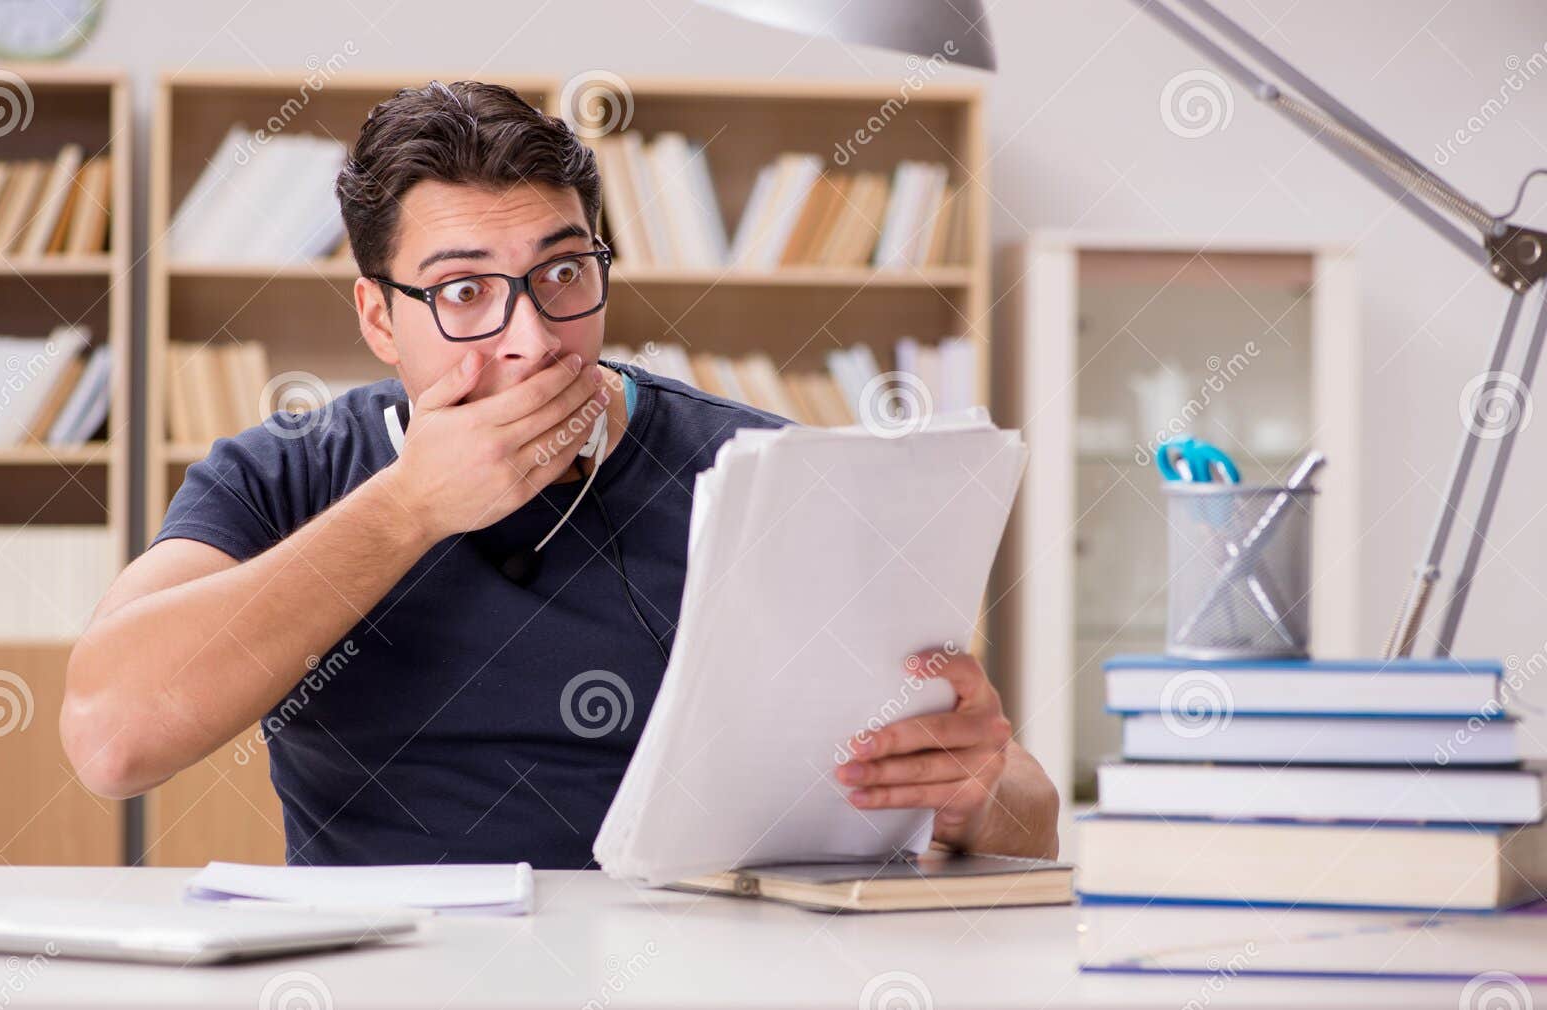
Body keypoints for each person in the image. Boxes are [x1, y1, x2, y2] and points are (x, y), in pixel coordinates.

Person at [59, 80, 1058, 868]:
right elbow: (112, 741)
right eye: (463, 291)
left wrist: (977, 795)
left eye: (563, 272)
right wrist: (408, 508)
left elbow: (1022, 812)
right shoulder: (280, 476)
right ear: (377, 319)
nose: (531, 337)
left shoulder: (765, 475)